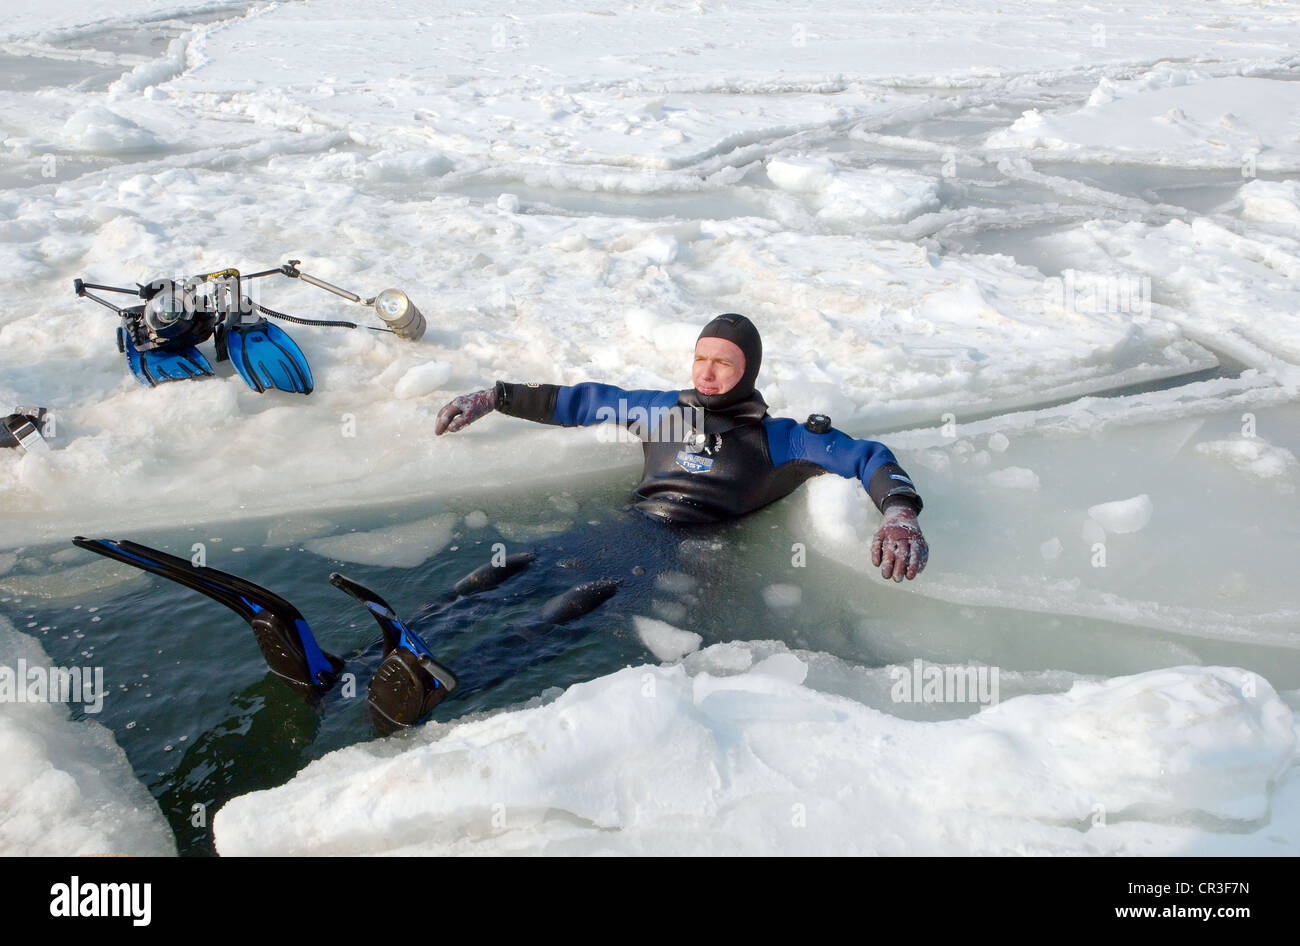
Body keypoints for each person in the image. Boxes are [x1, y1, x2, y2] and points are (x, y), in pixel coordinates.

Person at [435, 314, 928, 581]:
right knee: (503, 569)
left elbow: (868, 457)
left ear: (748, 371)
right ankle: (397, 643)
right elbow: (581, 401)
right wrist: (496, 397)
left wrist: (900, 512)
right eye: (701, 359)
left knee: (559, 614)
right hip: (624, 526)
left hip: (680, 555)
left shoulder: (780, 438)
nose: (708, 374)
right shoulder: (663, 411)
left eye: (724, 364)